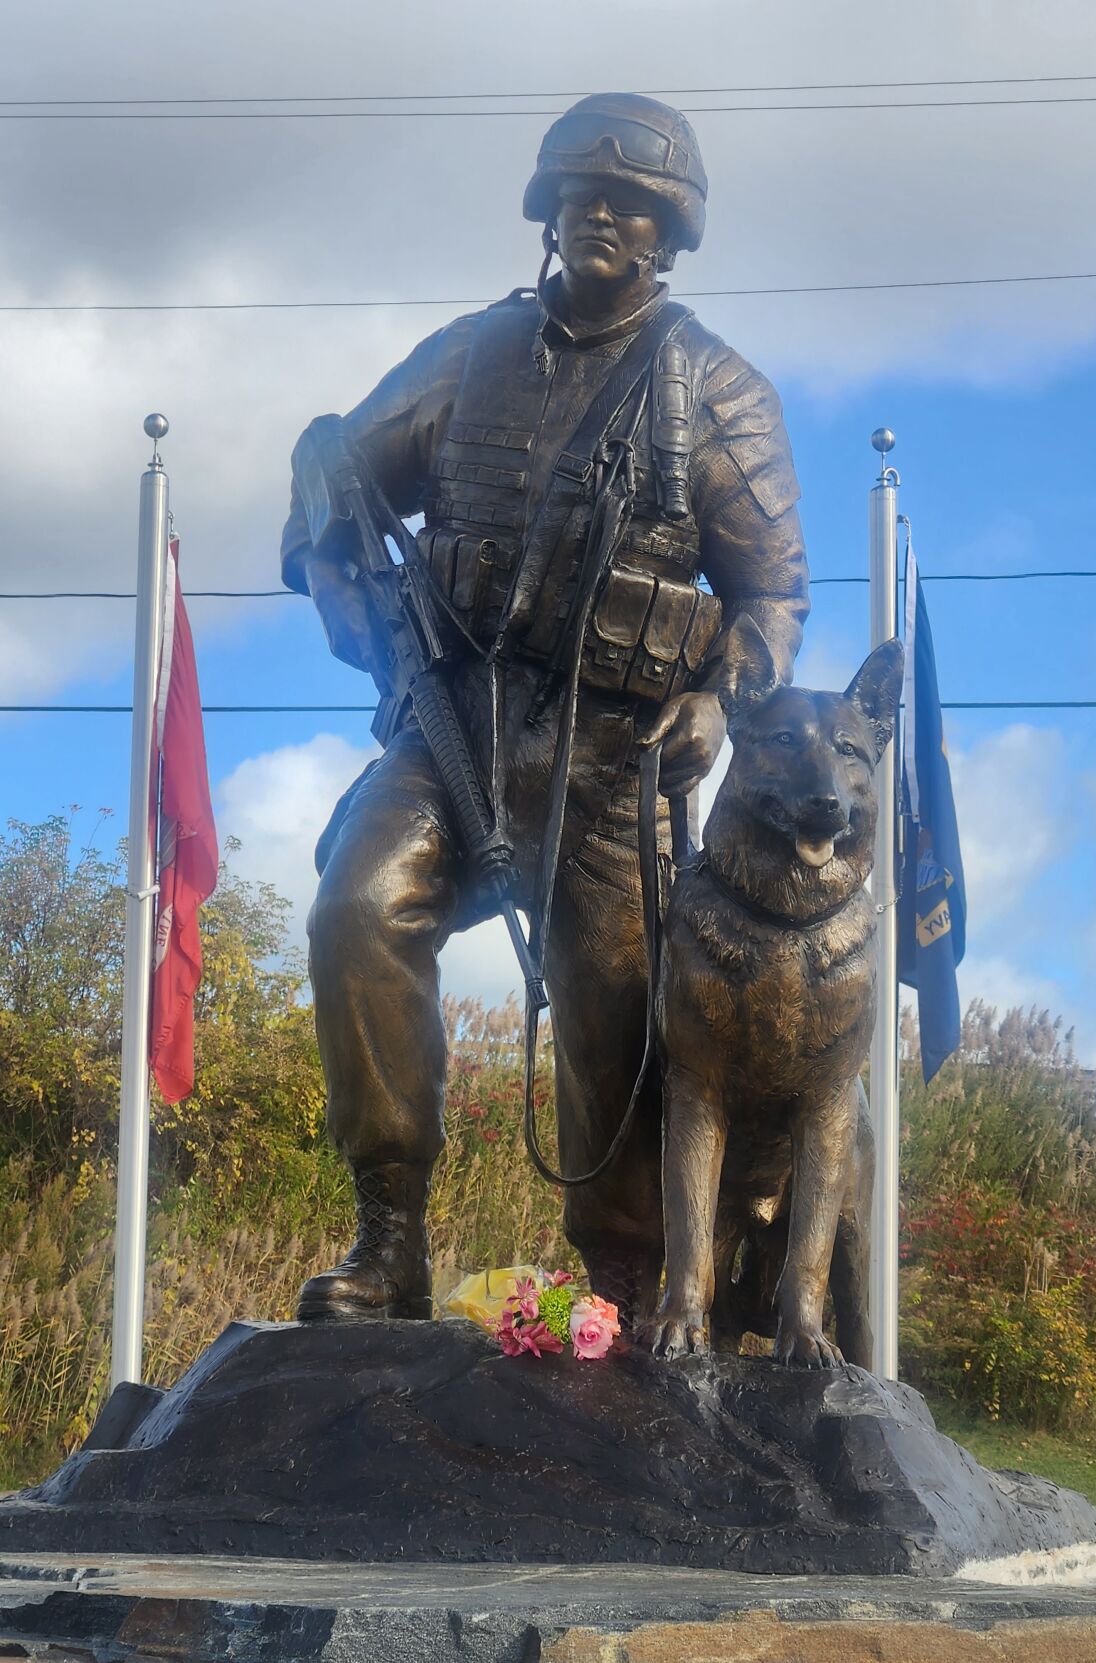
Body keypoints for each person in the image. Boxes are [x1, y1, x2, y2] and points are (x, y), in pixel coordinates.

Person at [280, 92, 809, 1327]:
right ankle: (388, 1233)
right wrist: (335, 587)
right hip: (456, 728)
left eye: (628, 204)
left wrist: (721, 705)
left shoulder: (718, 391)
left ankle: (622, 1275)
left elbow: (772, 595)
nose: (600, 219)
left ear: (669, 231)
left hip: (615, 753)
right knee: (356, 906)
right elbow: (335, 478)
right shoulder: (468, 356)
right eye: (580, 198)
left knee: (617, 998)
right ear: (548, 210)